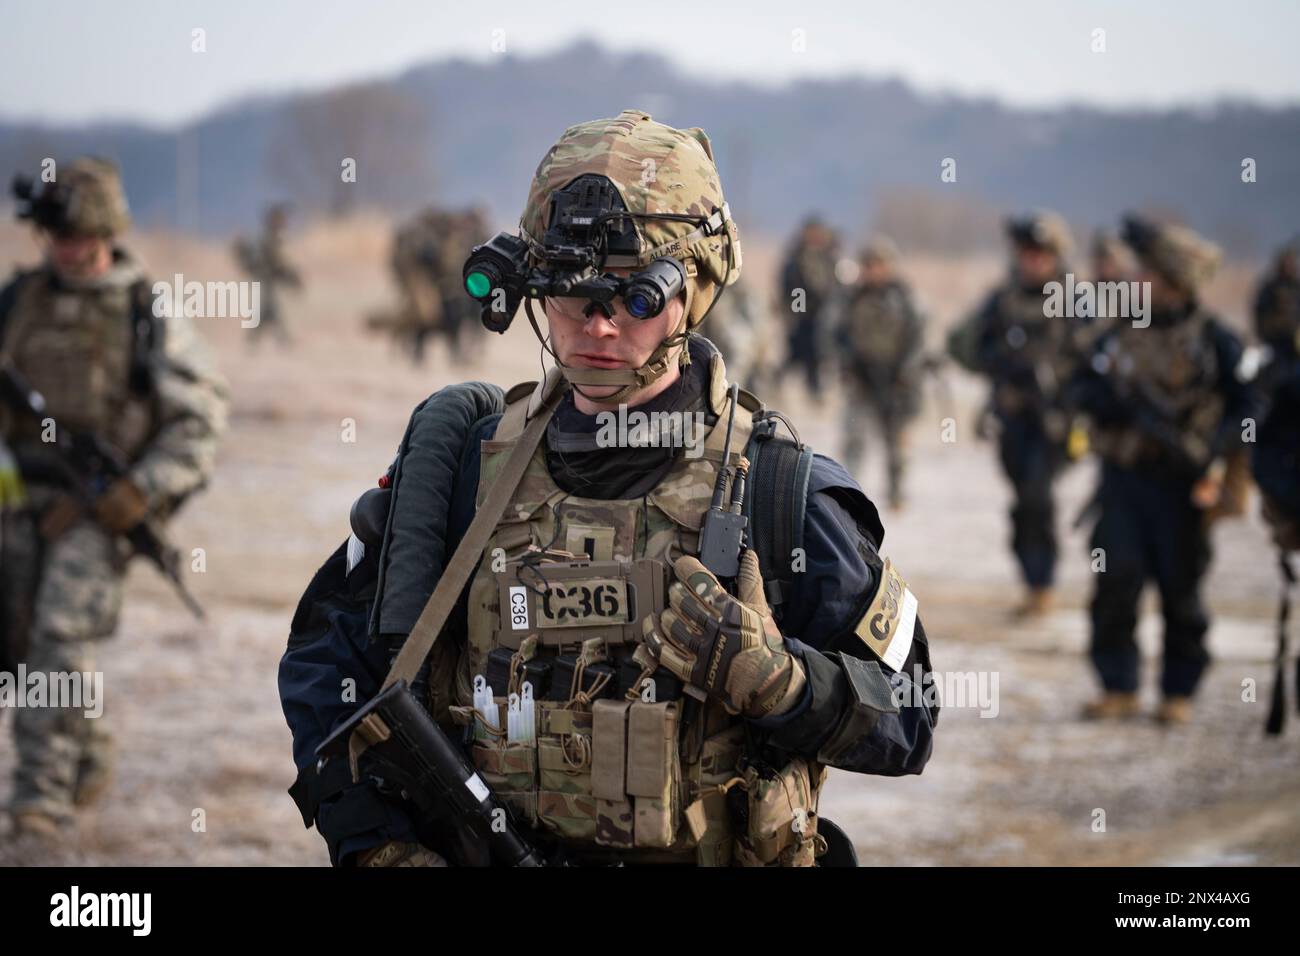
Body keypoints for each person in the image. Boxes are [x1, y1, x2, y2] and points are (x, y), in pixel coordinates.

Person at [280, 109, 939, 868]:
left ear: (693, 293)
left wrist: (783, 684)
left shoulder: (782, 494)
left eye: (633, 299)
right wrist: (378, 845)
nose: (596, 329)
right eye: (569, 294)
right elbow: (326, 667)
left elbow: (912, 718)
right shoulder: (462, 470)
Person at [0, 157, 228, 838]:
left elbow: (201, 418)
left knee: (61, 638)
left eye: (79, 238)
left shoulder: (145, 309)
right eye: (56, 237)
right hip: (20, 500)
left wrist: (141, 491)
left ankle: (36, 805)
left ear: (106, 232)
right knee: (18, 647)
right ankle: (90, 751)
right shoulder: (17, 302)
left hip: (103, 509)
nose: (68, 251)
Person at [1068, 216, 1256, 724]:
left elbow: (1248, 407)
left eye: (1148, 274)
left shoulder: (1216, 340)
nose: (1137, 281)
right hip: (1123, 482)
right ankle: (1118, 686)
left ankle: (1178, 692)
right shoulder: (1115, 333)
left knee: (1182, 590)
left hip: (1183, 485)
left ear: (1175, 282)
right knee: (1114, 584)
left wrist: (1215, 450)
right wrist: (1106, 404)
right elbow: (1078, 385)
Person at [947, 211, 1082, 617]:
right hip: (1013, 420)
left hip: (1056, 423)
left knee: (1038, 498)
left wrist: (1068, 394)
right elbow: (962, 344)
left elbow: (1096, 357)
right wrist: (997, 362)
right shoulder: (1003, 299)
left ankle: (1041, 584)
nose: (1032, 261)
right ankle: (1032, 580)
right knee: (1024, 499)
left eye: (1040, 254)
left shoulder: (1075, 300)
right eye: (1026, 253)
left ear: (1055, 256)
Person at [835, 236, 925, 509]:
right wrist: (848, 364)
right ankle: (848, 491)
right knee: (854, 436)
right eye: (869, 265)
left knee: (896, 443)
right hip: (862, 379)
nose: (874, 270)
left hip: (895, 380)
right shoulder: (850, 299)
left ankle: (897, 492)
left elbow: (918, 339)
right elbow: (835, 334)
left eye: (879, 265)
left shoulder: (905, 299)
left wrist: (906, 371)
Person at [777, 216, 840, 400]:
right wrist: (796, 313)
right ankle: (781, 384)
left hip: (821, 312)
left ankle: (815, 391)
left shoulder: (828, 256)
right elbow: (792, 287)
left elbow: (834, 284)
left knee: (818, 351)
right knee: (797, 349)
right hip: (801, 306)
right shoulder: (796, 257)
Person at [234, 203, 301, 348]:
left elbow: (278, 264)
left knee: (267, 309)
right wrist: (289, 276)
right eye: (281, 219)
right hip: (263, 278)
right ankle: (278, 339)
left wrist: (289, 276)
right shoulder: (267, 238)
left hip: (266, 279)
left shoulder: (272, 237)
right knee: (268, 308)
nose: (285, 223)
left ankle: (262, 339)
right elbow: (274, 263)